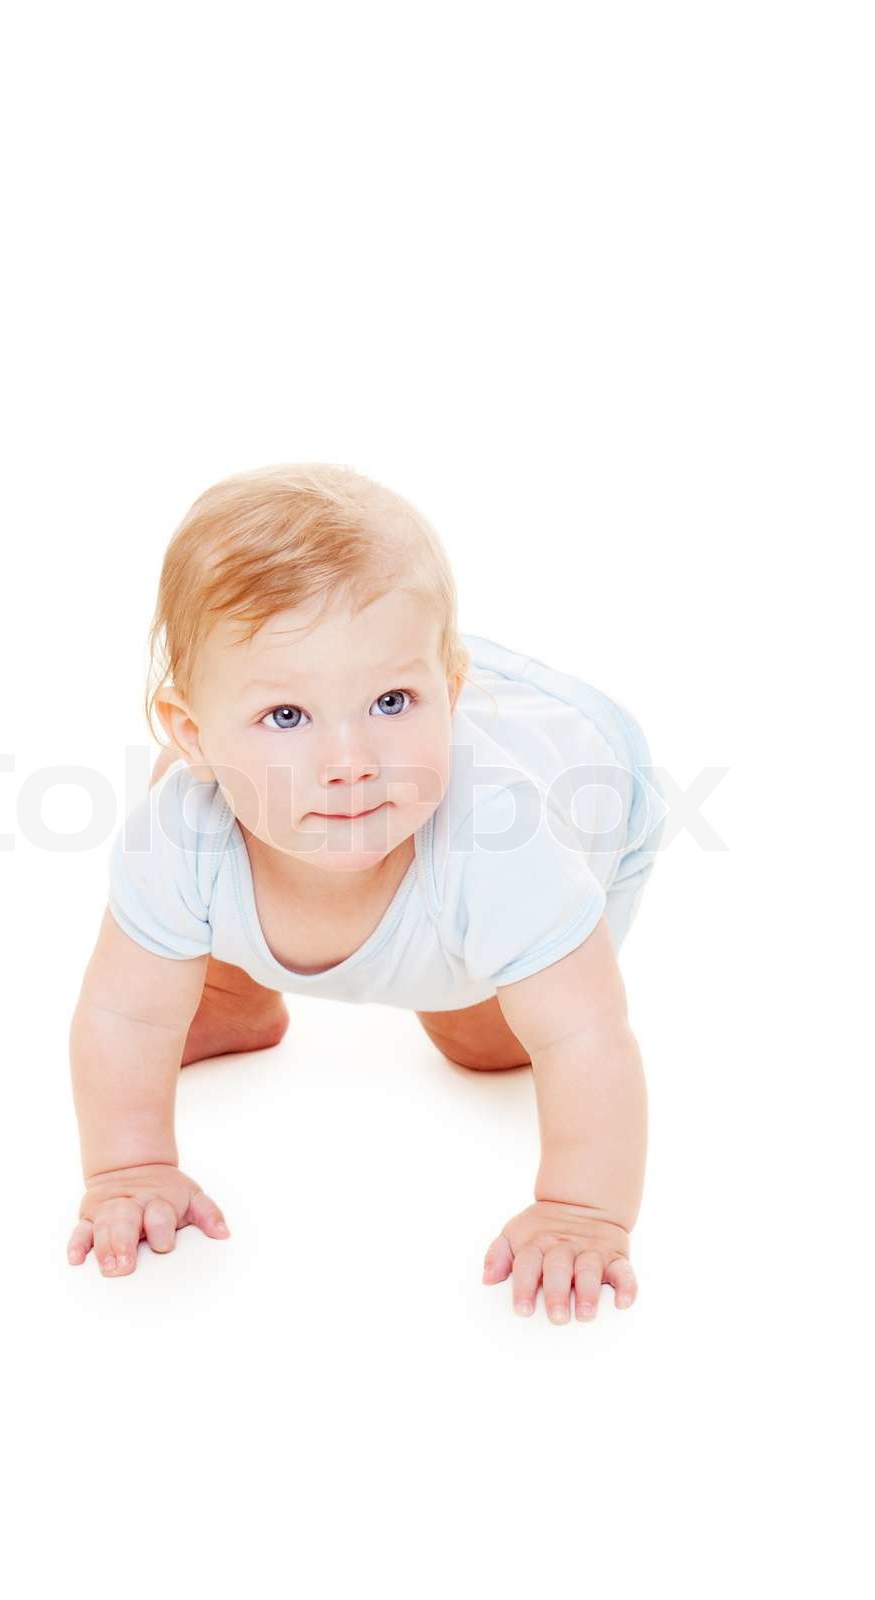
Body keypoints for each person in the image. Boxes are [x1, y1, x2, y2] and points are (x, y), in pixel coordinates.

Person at [66, 463, 667, 1324]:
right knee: (187, 928)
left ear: (447, 697)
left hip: (586, 781)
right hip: (285, 774)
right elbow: (123, 1017)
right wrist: (127, 1168)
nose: (349, 761)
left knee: (486, 1042)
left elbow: (587, 1036)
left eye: (392, 702)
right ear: (192, 732)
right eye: (286, 717)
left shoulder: (505, 848)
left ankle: (394, 699)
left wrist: (582, 1212)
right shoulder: (181, 824)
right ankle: (235, 999)